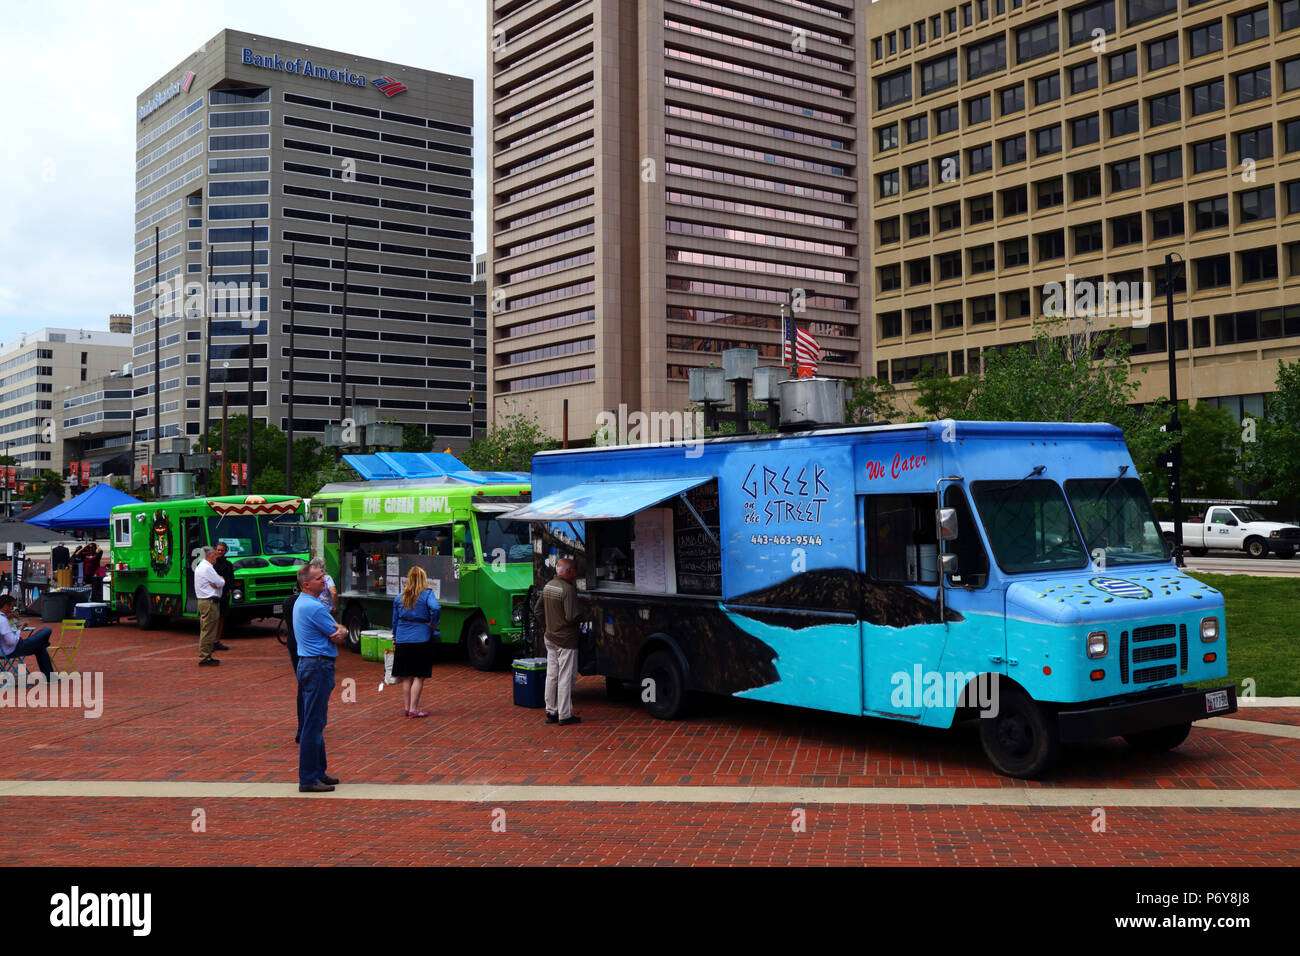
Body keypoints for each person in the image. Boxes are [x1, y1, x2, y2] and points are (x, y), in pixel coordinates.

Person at [293, 562, 347, 793]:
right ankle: (308, 778)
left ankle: (318, 772)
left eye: (323, 577)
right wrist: (342, 630)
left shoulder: (303, 603)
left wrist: (340, 630)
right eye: (318, 579)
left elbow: (336, 630)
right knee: (313, 724)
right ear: (306, 584)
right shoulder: (314, 607)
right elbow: (338, 633)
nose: (323, 581)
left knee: (314, 721)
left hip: (309, 664)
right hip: (317, 666)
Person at [531, 557, 584, 725]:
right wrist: (584, 617)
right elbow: (572, 616)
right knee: (565, 677)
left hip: (550, 637)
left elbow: (538, 609)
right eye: (574, 569)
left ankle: (551, 711)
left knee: (552, 675)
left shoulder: (549, 586)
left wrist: (547, 625)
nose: (576, 572)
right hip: (566, 639)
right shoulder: (567, 590)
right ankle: (565, 714)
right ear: (568, 572)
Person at [391, 566, 440, 718]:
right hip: (421, 637)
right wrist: (432, 624)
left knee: (406, 676)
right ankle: (413, 709)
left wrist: (394, 637)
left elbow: (394, 621)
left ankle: (407, 708)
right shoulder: (426, 595)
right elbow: (436, 608)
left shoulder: (400, 598)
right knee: (419, 676)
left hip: (402, 638)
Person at [0, 594, 53, 680]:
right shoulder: (2, 621)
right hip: (13, 649)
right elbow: (12, 641)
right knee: (47, 630)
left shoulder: (3, 619)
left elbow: (5, 633)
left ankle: (50, 678)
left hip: (4, 650)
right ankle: (44, 643)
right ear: (6, 606)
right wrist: (19, 630)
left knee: (40, 647)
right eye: (11, 606)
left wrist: (10, 618)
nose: (12, 609)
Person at [194, 546, 225, 667]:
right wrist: (220, 582)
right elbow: (221, 582)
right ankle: (204, 657)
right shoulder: (207, 568)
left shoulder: (202, 566)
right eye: (214, 554)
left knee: (207, 629)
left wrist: (218, 583)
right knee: (208, 630)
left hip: (205, 601)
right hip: (209, 602)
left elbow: (217, 583)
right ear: (209, 555)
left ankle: (206, 655)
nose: (216, 557)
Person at [212, 542, 235, 652]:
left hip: (224, 595)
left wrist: (230, 589)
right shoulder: (212, 564)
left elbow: (231, 578)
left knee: (221, 618)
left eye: (222, 550)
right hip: (214, 595)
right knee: (213, 619)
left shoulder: (229, 564)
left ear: (226, 551)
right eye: (218, 550)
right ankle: (210, 642)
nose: (220, 552)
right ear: (215, 550)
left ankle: (217, 641)